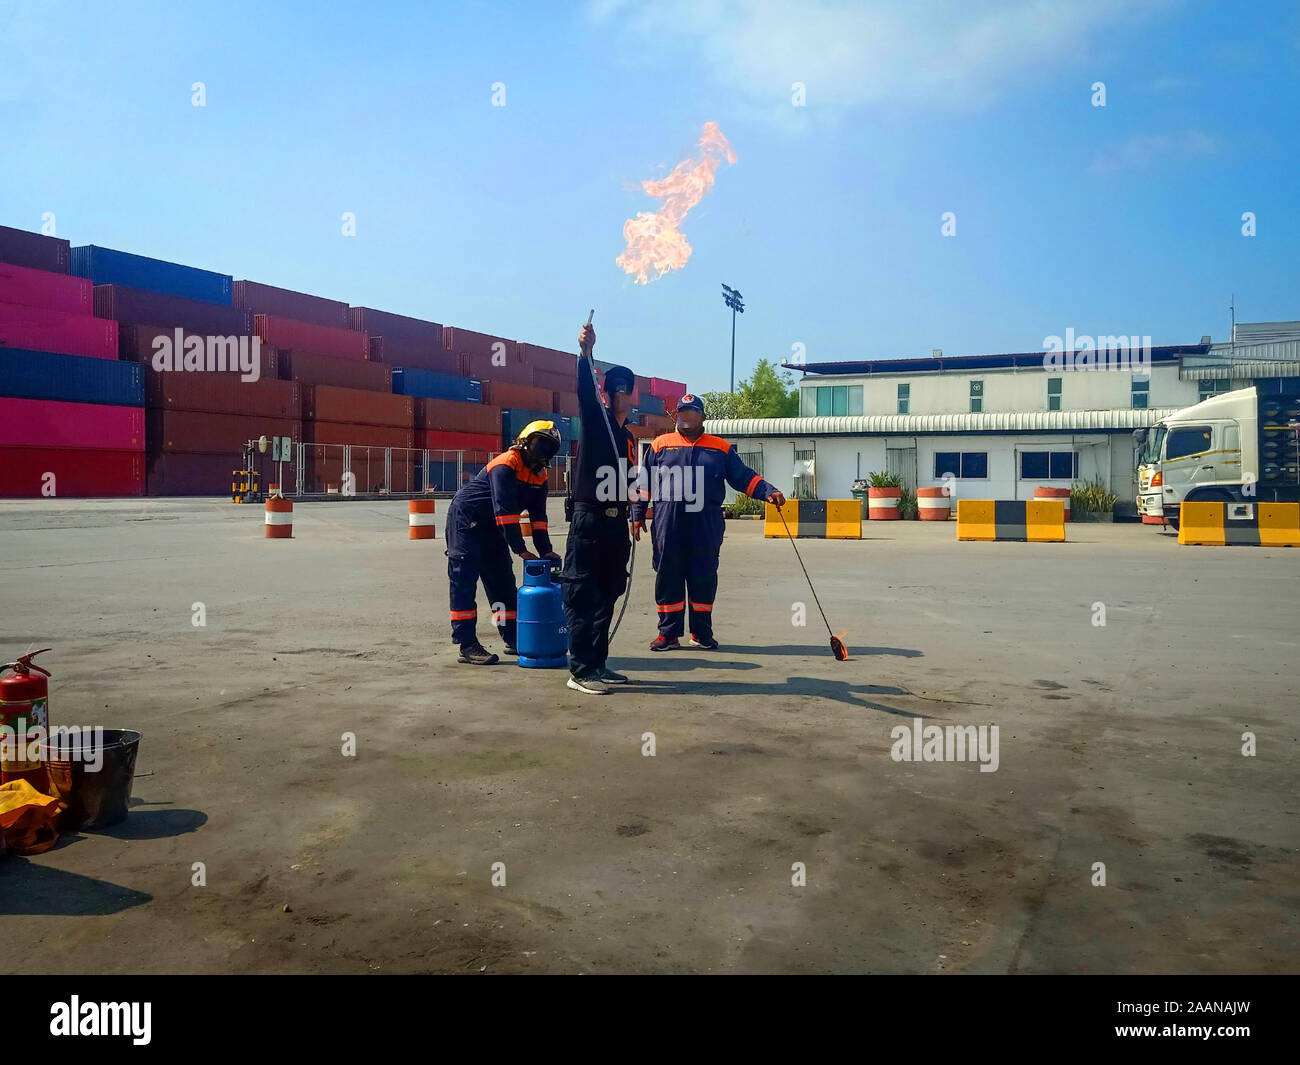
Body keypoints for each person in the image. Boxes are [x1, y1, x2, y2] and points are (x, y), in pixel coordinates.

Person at [631, 394, 785, 650]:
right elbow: (644, 482)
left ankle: (701, 633)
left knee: (703, 576)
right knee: (668, 575)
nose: (686, 416)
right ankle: (668, 634)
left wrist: (767, 491)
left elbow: (742, 476)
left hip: (706, 522)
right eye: (682, 411)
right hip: (669, 521)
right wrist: (637, 514)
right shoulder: (660, 445)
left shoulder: (720, 448)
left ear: (702, 416)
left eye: (691, 411)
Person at [445, 420, 562, 664]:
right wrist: (521, 550)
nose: (544, 452)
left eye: (550, 448)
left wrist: (546, 551)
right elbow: (505, 511)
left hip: (495, 527)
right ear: (525, 442)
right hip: (468, 521)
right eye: (541, 444)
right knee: (464, 580)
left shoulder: (539, 476)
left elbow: (538, 519)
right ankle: (466, 644)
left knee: (502, 584)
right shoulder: (506, 464)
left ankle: (512, 637)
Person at [562, 320, 638, 694]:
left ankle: (599, 662)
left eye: (628, 390)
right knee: (583, 593)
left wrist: (636, 513)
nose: (623, 396)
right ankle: (580, 671)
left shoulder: (627, 438)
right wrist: (585, 353)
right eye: (617, 390)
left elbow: (632, 481)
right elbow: (584, 392)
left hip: (615, 524)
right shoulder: (597, 421)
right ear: (607, 395)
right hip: (589, 521)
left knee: (609, 591)